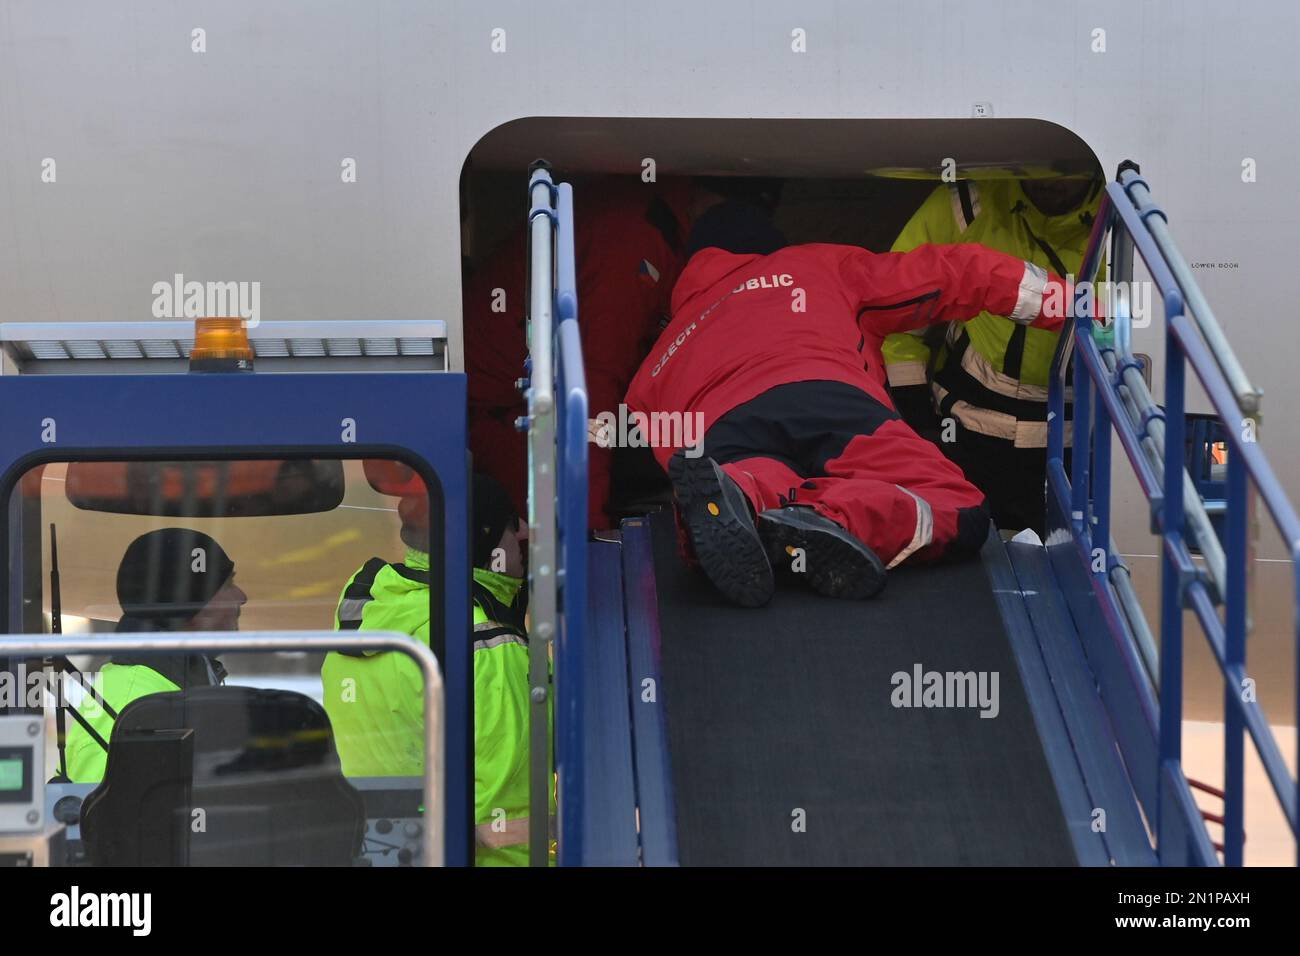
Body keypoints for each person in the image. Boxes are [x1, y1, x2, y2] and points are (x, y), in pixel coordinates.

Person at [623, 200, 1075, 607]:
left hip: (720, 430)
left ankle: (742, 494)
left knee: (752, 472)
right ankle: (829, 518)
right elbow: (956, 271)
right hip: (827, 395)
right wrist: (1070, 305)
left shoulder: (661, 353)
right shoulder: (813, 263)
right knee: (959, 506)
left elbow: (663, 448)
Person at [465, 175, 782, 530]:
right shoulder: (635, 240)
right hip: (506, 415)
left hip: (542, 408)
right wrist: (589, 527)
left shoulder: (668, 231)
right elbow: (591, 384)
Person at [321, 472, 547, 866]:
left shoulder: (375, 613)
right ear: (483, 541)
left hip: (386, 851)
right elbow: (502, 814)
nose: (525, 532)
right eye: (512, 523)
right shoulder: (487, 645)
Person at [882, 174, 1103, 534]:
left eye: (1065, 171)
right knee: (953, 547)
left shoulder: (1117, 226)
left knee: (1059, 562)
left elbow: (1133, 319)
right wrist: (911, 403)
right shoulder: (965, 205)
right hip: (962, 424)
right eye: (1041, 167)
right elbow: (896, 301)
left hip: (1068, 443)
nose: (1050, 180)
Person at [63, 528, 246, 783]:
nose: (241, 597)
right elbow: (102, 818)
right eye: (227, 585)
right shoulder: (133, 706)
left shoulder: (172, 682)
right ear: (189, 604)